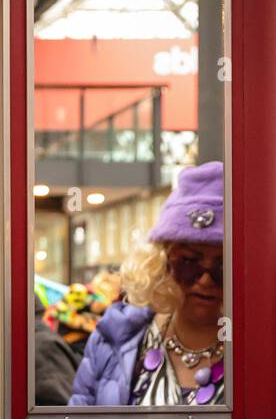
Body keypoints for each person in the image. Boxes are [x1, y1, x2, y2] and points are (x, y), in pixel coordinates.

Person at [70, 161, 225, 406]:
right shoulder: (115, 337)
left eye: (223, 266)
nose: (205, 280)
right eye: (189, 262)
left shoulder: (262, 348)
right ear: (162, 262)